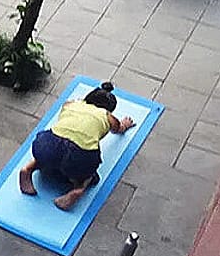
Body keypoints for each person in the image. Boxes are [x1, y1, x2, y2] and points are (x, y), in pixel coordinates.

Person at [18, 81, 135, 211]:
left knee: (44, 154)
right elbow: (118, 128)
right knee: (89, 174)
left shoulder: (71, 104)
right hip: (79, 156)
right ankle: (78, 189)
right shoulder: (107, 116)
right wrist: (124, 124)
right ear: (109, 109)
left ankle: (27, 169)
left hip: (49, 146)